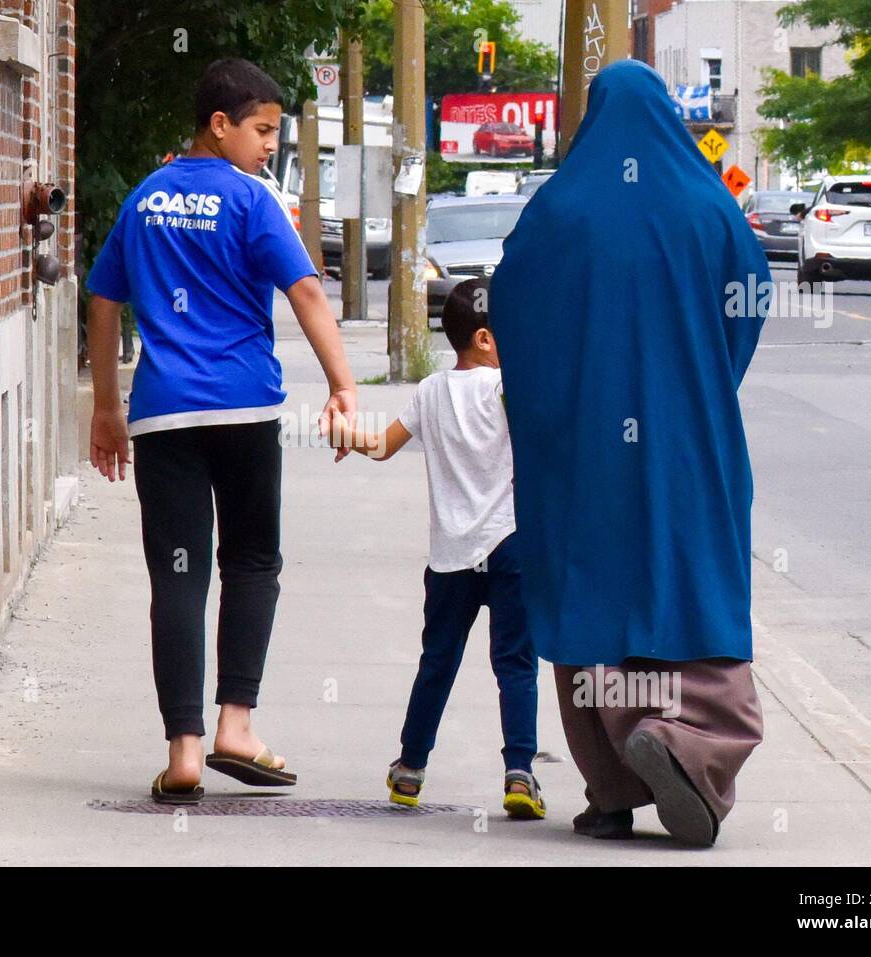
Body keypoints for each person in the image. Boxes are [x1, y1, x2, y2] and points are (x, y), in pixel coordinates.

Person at [489, 59, 770, 847]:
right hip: (688, 438)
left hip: (581, 449)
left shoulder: (557, 210)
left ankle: (610, 788)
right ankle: (688, 743)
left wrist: (549, 407)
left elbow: (508, 306)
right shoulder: (709, 209)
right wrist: (707, 378)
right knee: (692, 575)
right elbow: (747, 302)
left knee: (590, 591)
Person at [86, 58, 357, 805]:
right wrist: (342, 384)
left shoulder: (144, 199)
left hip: (165, 412)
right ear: (221, 124)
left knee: (176, 577)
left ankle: (184, 751)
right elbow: (304, 288)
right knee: (251, 561)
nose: (270, 145)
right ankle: (237, 723)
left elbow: (104, 299)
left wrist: (107, 406)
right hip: (243, 409)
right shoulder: (251, 200)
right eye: (263, 130)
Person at [332, 278, 544, 820]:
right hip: (509, 542)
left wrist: (345, 431)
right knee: (515, 662)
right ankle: (519, 772)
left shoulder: (430, 391)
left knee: (438, 661)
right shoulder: (509, 389)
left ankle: (409, 769)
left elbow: (381, 448)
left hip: (451, 554)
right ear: (484, 338)